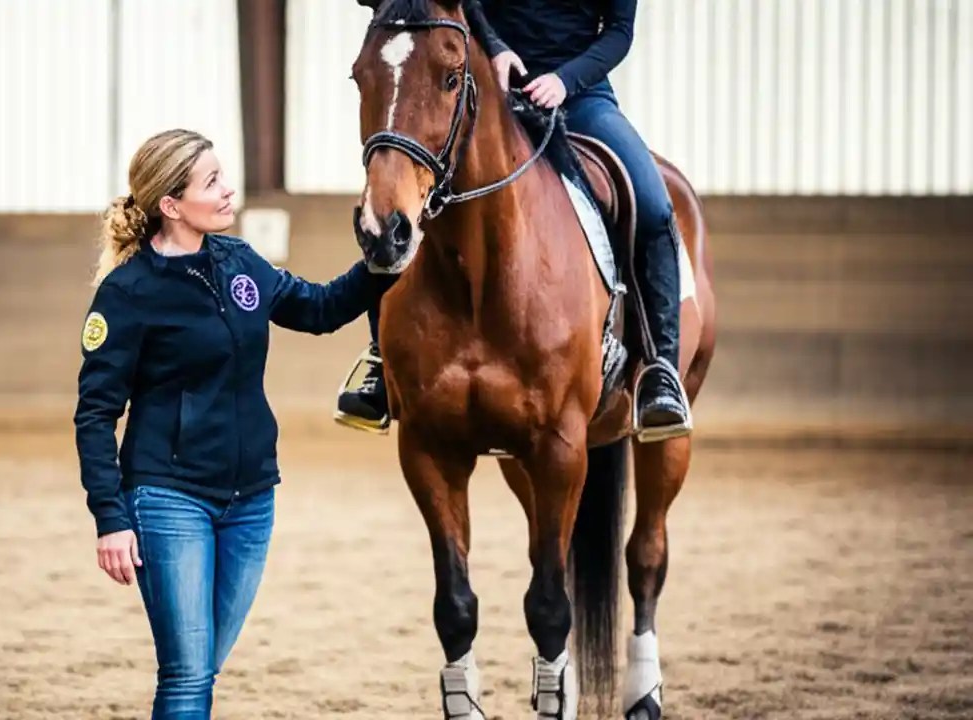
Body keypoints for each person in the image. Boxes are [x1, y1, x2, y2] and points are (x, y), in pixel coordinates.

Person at [75, 129, 387, 718]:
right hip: (169, 499)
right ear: (170, 205)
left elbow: (318, 309)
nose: (229, 190)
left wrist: (382, 257)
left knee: (203, 667)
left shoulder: (239, 261)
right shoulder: (127, 293)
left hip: (251, 502)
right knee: (188, 675)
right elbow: (94, 414)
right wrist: (110, 519)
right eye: (212, 182)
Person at [336, 0, 693, 441]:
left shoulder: (577, 83)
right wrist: (498, 49)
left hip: (581, 98)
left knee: (654, 205)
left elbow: (619, 32)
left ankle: (659, 369)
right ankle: (381, 361)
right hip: (490, 85)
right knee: (401, 193)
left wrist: (565, 81)